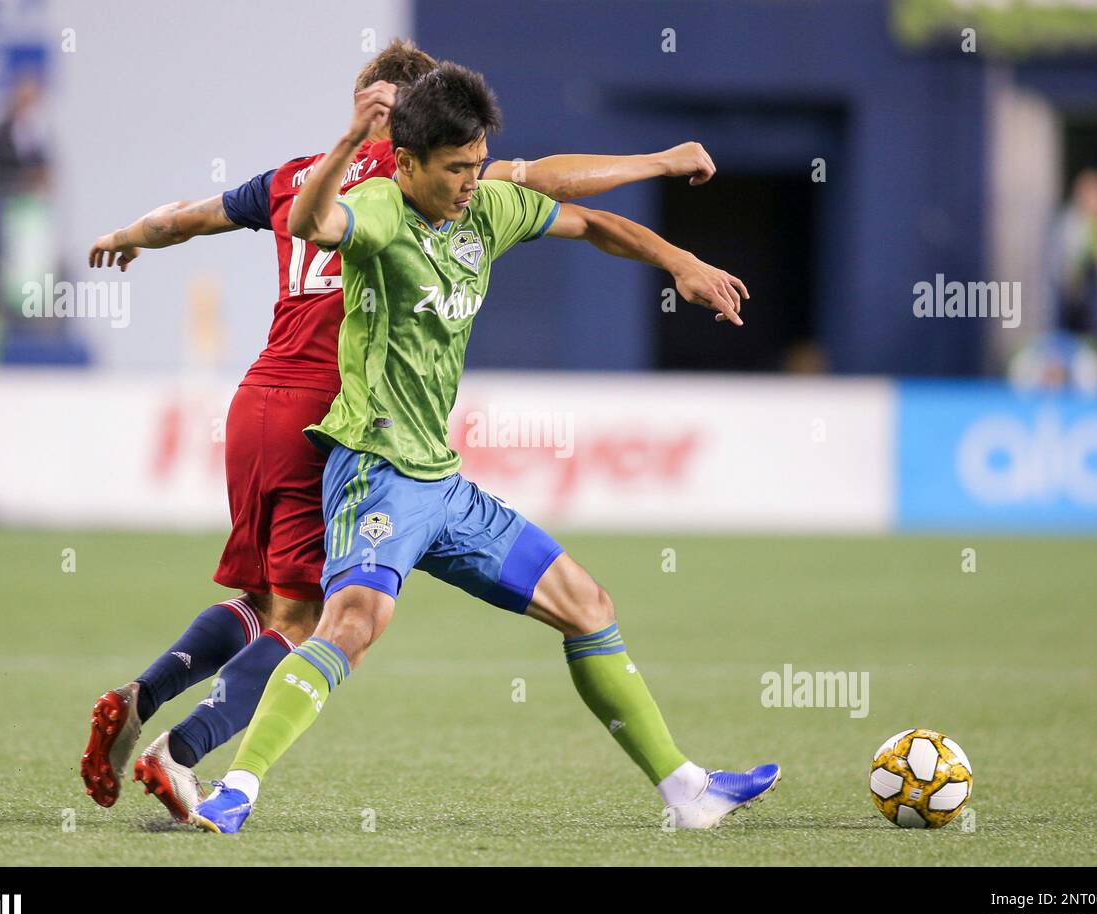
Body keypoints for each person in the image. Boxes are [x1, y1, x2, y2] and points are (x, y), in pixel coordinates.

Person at [79, 39, 723, 823]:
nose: (472, 175)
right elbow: (552, 178)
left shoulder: (294, 173)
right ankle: (186, 756)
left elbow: (189, 217)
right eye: (460, 160)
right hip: (338, 417)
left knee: (263, 600)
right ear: (412, 134)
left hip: (258, 404)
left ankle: (144, 693)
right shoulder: (394, 191)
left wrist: (126, 236)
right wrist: (656, 161)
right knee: (310, 620)